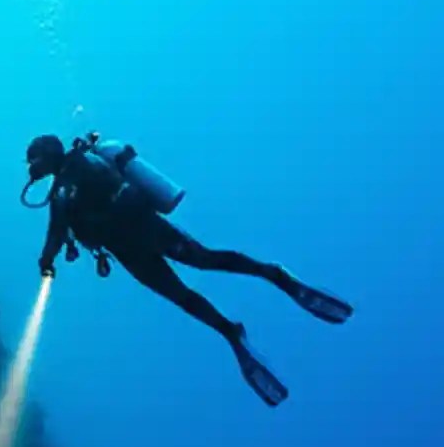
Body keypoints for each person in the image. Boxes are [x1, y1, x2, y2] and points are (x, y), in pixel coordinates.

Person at [20, 132, 353, 407]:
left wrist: (46, 260)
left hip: (142, 237)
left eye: (33, 158)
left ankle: (270, 279)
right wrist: (54, 253)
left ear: (48, 154)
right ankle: (233, 328)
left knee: (202, 266)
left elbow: (56, 232)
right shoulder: (69, 180)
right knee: (188, 286)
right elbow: (63, 229)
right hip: (135, 245)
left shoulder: (71, 179)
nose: (30, 166)